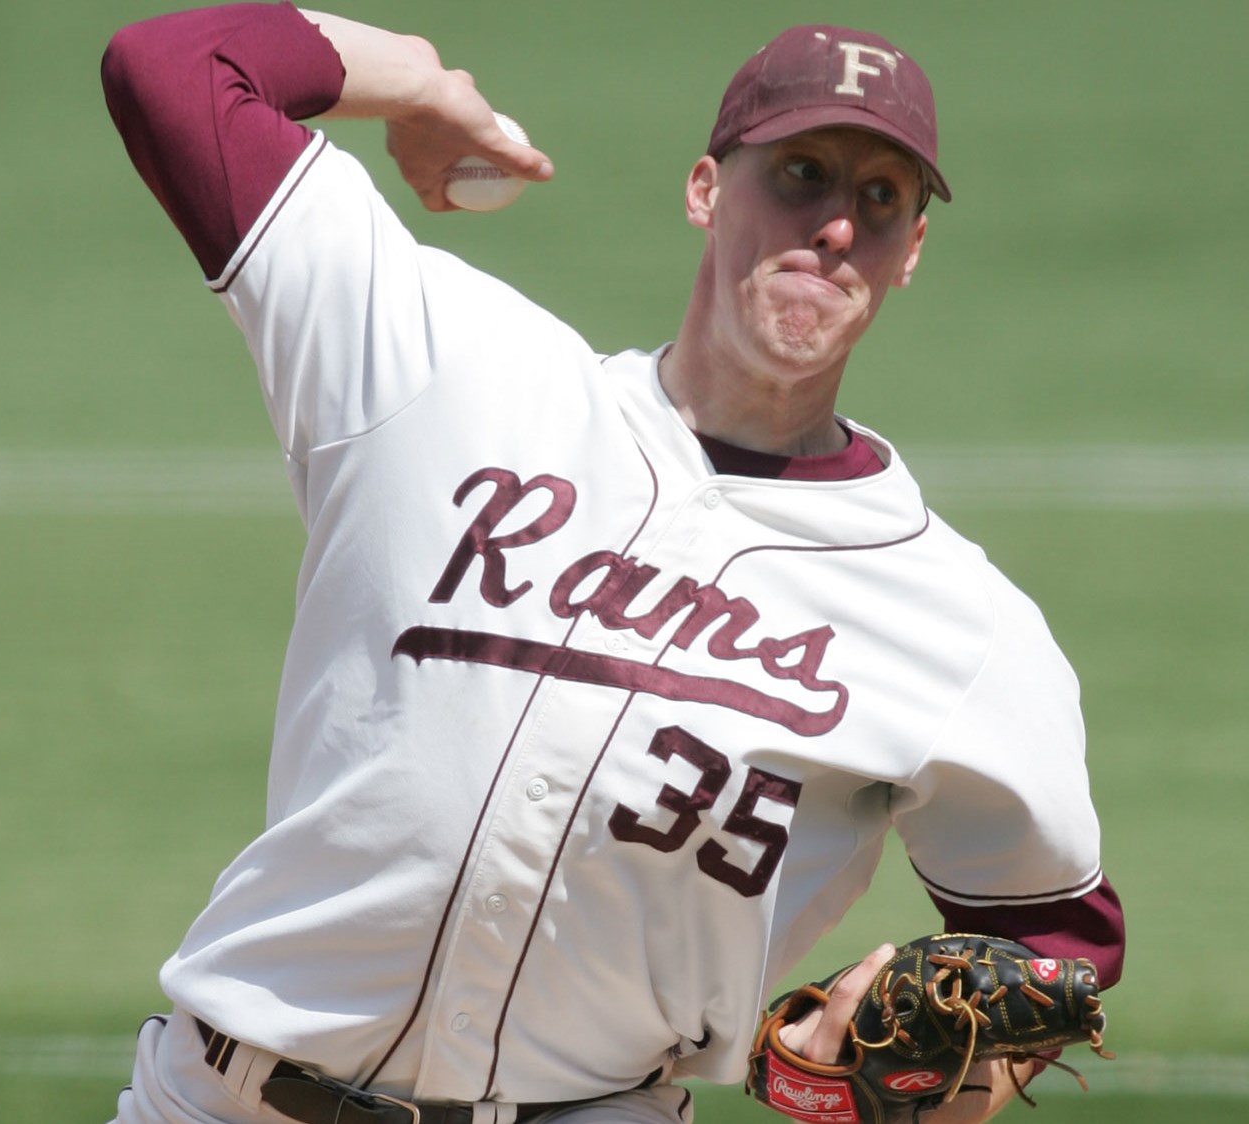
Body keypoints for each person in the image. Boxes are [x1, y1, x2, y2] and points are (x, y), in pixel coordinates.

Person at [99, 5, 1124, 1123]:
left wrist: (943, 1083)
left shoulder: (955, 618)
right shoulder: (444, 372)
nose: (834, 225)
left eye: (879, 200)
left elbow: (1052, 948)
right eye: (800, 172)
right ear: (703, 190)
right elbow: (173, 66)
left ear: (909, 250)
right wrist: (420, 82)